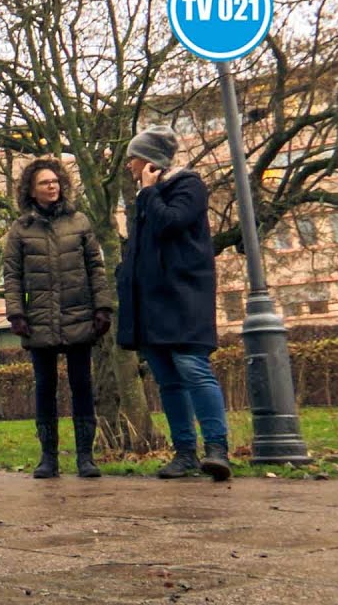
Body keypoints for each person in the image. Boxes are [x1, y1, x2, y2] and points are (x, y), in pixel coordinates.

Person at [116, 125, 233, 481]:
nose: (129, 165)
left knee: (193, 369)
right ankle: (184, 453)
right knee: (168, 380)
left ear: (150, 161)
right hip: (151, 305)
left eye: (133, 158)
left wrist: (150, 192)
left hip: (183, 299)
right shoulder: (145, 197)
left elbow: (172, 223)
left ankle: (217, 448)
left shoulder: (188, 186)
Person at [2, 158, 112, 479]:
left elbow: (96, 268)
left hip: (78, 314)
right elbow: (12, 275)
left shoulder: (79, 222)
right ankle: (48, 458)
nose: (52, 186)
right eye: (44, 183)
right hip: (39, 319)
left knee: (82, 385)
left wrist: (102, 307)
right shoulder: (20, 229)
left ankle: (85, 457)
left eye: (54, 181)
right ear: (31, 190)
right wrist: (16, 313)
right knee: (44, 387)